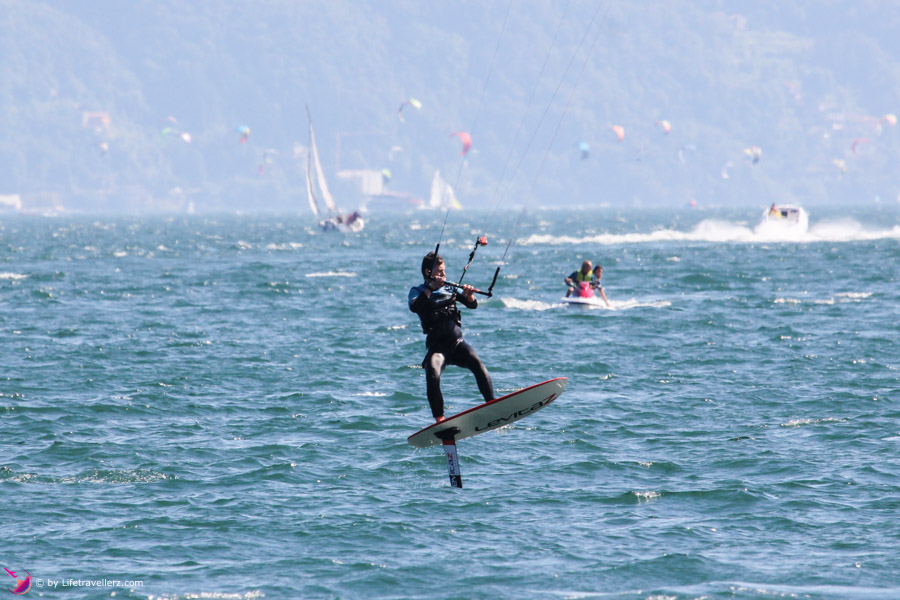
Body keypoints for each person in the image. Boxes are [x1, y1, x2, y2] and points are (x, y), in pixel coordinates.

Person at [409, 251, 495, 423]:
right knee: (432, 372)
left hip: (457, 343)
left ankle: (492, 405)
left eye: (444, 271)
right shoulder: (417, 291)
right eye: (440, 271)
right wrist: (431, 288)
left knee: (477, 363)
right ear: (428, 272)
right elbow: (415, 307)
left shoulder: (450, 289)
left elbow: (472, 305)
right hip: (437, 348)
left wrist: (470, 296)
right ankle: (440, 420)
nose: (444, 275)